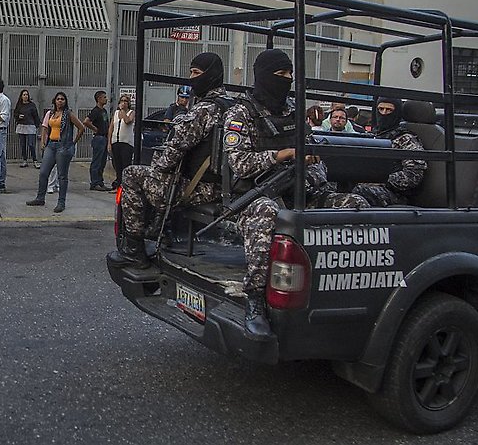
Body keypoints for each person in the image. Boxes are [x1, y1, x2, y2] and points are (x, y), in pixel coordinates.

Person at [223, 49, 368, 338]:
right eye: (281, 75)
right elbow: (238, 163)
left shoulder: (293, 111)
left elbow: (316, 156)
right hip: (254, 197)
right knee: (267, 211)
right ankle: (255, 300)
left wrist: (310, 167)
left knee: (355, 203)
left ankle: (344, 289)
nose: (287, 80)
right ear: (263, 76)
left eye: (290, 75)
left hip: (300, 190)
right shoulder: (241, 113)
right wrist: (281, 156)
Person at [108, 52, 231, 267]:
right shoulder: (231, 107)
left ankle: (133, 249)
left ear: (210, 74)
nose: (191, 78)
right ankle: (158, 229)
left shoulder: (203, 110)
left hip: (199, 189)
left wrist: (158, 164)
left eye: (196, 72)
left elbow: (171, 155)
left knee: (132, 174)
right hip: (223, 188)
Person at [351, 97, 426, 206]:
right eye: (380, 109)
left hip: (396, 193)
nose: (384, 113)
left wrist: (383, 179)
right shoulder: (375, 135)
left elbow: (414, 174)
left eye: (389, 110)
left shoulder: (405, 139)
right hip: (370, 184)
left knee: (360, 191)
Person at [26, 92, 85, 213]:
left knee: (62, 176)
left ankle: (61, 202)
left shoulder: (68, 114)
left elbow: (81, 127)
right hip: (51, 145)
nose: (60, 101)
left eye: (62, 99)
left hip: (63, 146)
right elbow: (45, 127)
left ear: (65, 101)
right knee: (43, 172)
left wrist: (73, 143)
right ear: (54, 101)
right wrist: (43, 142)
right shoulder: (51, 113)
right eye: (58, 99)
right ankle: (40, 197)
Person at [84, 90, 111, 191]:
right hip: (98, 138)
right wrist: (94, 128)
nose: (106, 99)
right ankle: (94, 182)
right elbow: (86, 121)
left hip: (104, 137)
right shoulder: (95, 111)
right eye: (104, 97)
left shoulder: (104, 111)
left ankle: (100, 181)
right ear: (99, 99)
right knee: (97, 161)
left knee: (102, 161)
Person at [107, 93, 135, 189]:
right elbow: (111, 128)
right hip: (116, 142)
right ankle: (118, 185)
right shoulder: (115, 113)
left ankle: (125, 186)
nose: (124, 103)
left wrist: (123, 111)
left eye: (126, 101)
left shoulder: (131, 112)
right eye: (122, 101)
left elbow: (127, 121)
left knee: (125, 165)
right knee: (117, 165)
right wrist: (109, 143)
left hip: (126, 143)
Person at [13, 89, 39, 168]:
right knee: (22, 144)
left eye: (26, 95)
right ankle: (24, 160)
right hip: (21, 126)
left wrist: (37, 126)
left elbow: (36, 116)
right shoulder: (19, 105)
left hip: (30, 126)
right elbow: (15, 114)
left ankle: (35, 160)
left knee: (31, 144)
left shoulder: (32, 105)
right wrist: (18, 116)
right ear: (21, 96)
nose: (25, 96)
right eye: (24, 95)